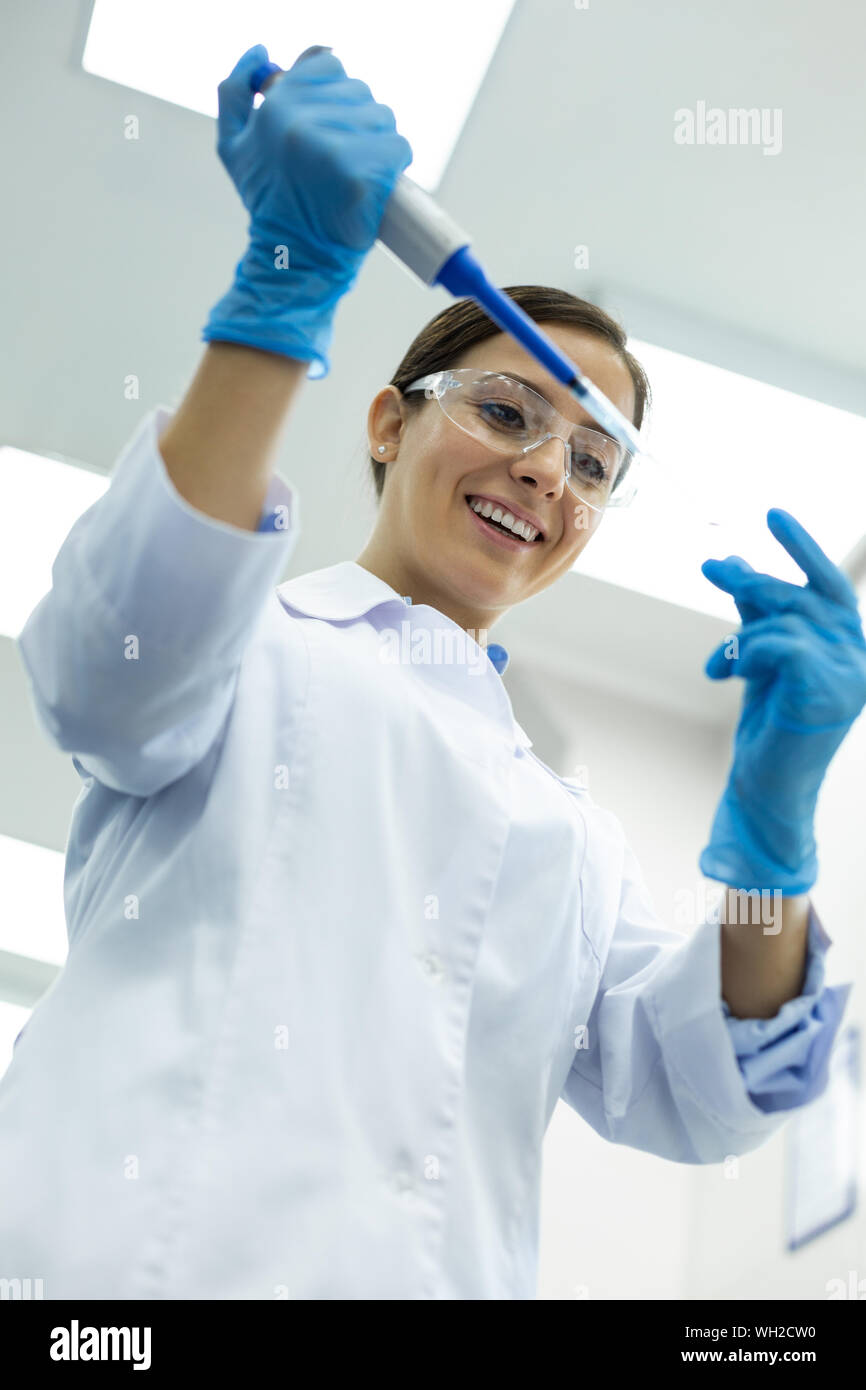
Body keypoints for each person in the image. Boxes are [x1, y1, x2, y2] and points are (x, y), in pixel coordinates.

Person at [1, 43, 863, 1302]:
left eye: (590, 463)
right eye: (507, 413)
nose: (544, 474)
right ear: (387, 422)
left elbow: (700, 1091)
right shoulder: (250, 648)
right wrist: (282, 286)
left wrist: (774, 836)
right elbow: (105, 672)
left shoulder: (564, 836)